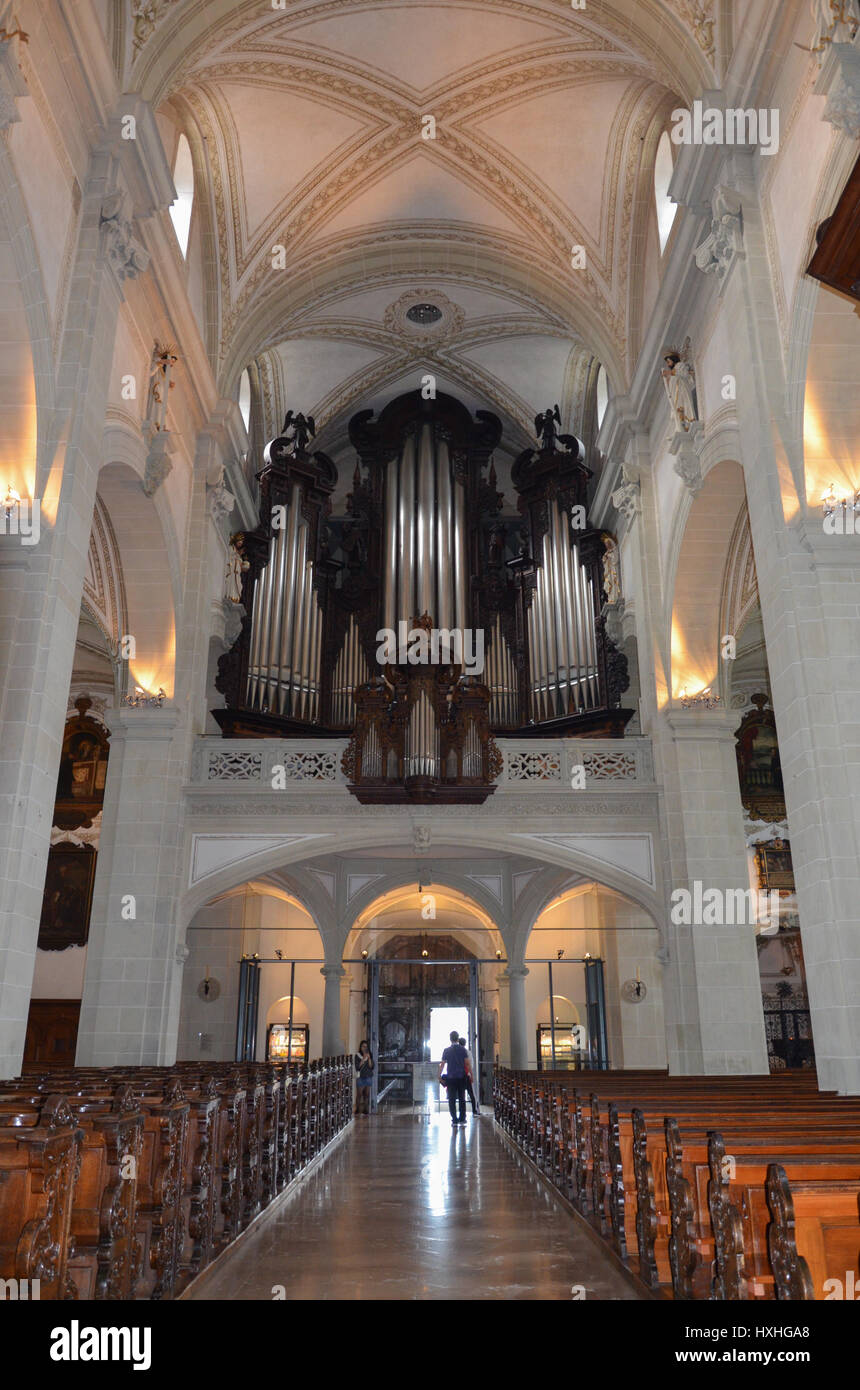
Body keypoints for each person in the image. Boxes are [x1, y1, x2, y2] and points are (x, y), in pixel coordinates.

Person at [440, 1030, 468, 1126]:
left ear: (450, 1039)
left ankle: (454, 1119)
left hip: (451, 1077)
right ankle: (462, 1118)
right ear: (457, 1038)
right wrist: (470, 1074)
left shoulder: (446, 1050)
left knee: (451, 1099)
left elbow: (442, 1064)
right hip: (461, 1077)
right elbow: (467, 1063)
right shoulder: (463, 1050)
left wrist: (438, 1076)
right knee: (462, 1098)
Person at [459, 1036, 479, 1116]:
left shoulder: (459, 1053)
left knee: (461, 1095)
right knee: (471, 1093)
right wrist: (471, 1074)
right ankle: (474, 1110)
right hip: (467, 1075)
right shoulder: (468, 1052)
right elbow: (471, 1064)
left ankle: (462, 1113)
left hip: (460, 1076)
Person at [354, 1040, 373, 1115]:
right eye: (363, 1046)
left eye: (366, 1046)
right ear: (360, 1047)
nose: (364, 1048)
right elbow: (357, 1067)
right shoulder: (357, 1055)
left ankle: (365, 1109)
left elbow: (371, 1067)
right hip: (361, 1077)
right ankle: (357, 1109)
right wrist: (363, 1059)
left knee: (367, 1094)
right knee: (359, 1094)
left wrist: (368, 1058)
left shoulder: (370, 1055)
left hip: (368, 1076)